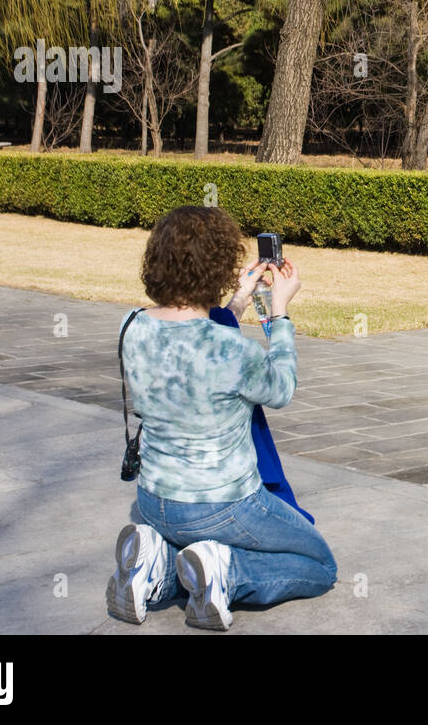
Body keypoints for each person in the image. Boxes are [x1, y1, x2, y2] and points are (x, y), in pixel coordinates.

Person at [106, 206, 336, 630]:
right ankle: (225, 573)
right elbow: (280, 388)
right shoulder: (233, 351)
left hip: (152, 500)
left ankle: (155, 564)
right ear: (219, 267)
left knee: (189, 539)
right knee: (320, 564)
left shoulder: (131, 326)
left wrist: (237, 303)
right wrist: (280, 311)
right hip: (223, 505)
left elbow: (194, 344)